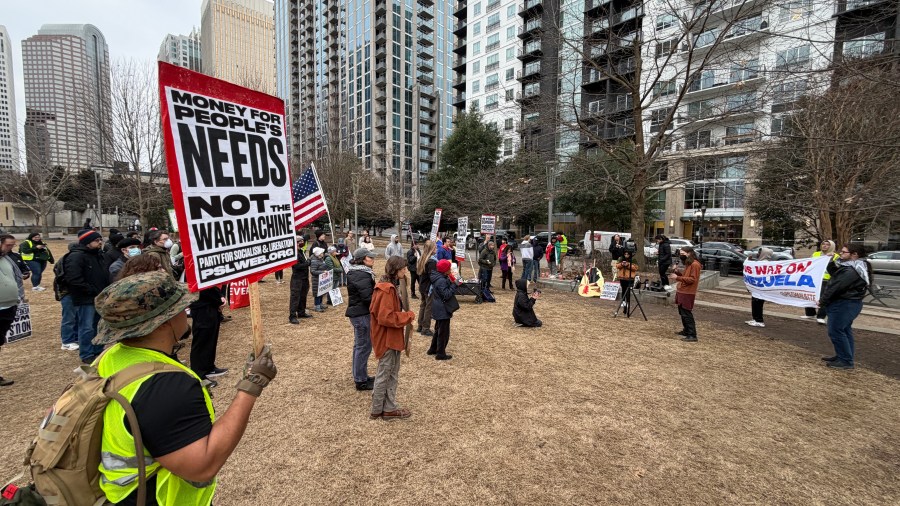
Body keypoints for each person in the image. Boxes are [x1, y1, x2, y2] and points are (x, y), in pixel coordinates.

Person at [91, 271, 277, 506]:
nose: (186, 312)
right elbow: (202, 466)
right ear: (164, 322)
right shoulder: (165, 385)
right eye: (181, 307)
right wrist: (252, 385)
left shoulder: (110, 357)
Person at [369, 255, 416, 420]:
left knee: (391, 372)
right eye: (403, 268)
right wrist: (407, 317)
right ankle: (379, 409)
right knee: (385, 372)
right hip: (387, 339)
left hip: (392, 337)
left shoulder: (389, 287)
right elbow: (385, 317)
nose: (405, 271)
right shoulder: (386, 290)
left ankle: (387, 407)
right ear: (396, 270)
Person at [819, 244, 870, 370]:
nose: (840, 254)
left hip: (845, 303)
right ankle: (843, 356)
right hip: (847, 303)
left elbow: (836, 286)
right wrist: (831, 261)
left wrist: (823, 301)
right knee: (845, 331)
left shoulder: (851, 270)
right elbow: (834, 273)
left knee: (836, 331)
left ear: (854, 254)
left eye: (843, 252)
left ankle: (846, 361)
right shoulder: (852, 266)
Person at [65, 230, 111, 363]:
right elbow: (73, 278)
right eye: (96, 240)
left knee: (99, 325)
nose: (100, 242)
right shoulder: (76, 256)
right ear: (87, 242)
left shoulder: (98, 255)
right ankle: (86, 353)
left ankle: (98, 349)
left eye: (100, 240)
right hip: (85, 298)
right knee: (87, 326)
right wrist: (91, 290)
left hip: (99, 297)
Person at [346, 248, 377, 390]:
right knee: (363, 347)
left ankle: (361, 375)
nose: (373, 259)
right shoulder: (361, 274)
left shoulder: (360, 272)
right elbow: (368, 297)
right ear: (363, 259)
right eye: (370, 257)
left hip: (360, 313)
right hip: (361, 315)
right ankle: (360, 380)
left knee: (360, 346)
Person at [189, 283, 228, 383]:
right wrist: (219, 300)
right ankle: (198, 374)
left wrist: (220, 298)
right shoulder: (194, 271)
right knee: (201, 340)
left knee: (211, 339)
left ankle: (209, 367)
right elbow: (204, 288)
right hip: (202, 307)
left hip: (211, 306)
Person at [0, 234, 26, 386]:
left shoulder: (7, 258)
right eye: (8, 245)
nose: (10, 248)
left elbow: (16, 277)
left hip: (8, 306)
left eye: (12, 245)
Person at [669, 246, 702, 342]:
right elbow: (685, 276)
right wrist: (677, 273)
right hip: (682, 290)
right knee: (682, 312)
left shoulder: (695, 264)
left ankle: (692, 334)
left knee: (686, 313)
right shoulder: (689, 264)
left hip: (688, 292)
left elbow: (692, 279)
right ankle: (686, 330)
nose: (681, 256)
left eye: (683, 254)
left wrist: (677, 278)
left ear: (689, 253)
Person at [428, 259, 459, 360]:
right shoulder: (441, 280)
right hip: (442, 309)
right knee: (443, 332)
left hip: (438, 307)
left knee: (438, 329)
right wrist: (454, 285)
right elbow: (446, 295)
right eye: (449, 268)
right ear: (445, 270)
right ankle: (440, 353)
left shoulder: (439, 277)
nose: (450, 269)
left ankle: (433, 348)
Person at [804, 240, 839, 324]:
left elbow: (837, 269)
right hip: (814, 279)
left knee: (824, 298)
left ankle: (821, 316)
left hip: (826, 280)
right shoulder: (815, 254)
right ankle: (810, 313)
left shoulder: (836, 256)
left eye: (827, 245)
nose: (825, 246)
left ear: (832, 247)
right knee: (809, 295)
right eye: (823, 244)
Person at [57, 242, 79, 352]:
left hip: (76, 293)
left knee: (77, 316)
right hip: (68, 293)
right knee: (69, 318)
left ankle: (76, 337)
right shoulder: (66, 261)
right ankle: (67, 341)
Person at [746, 248, 773, 328]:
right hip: (757, 287)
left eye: (759, 252)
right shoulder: (761, 262)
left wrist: (748, 262)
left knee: (757, 304)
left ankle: (759, 321)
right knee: (755, 303)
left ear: (764, 254)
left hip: (760, 288)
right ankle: (755, 319)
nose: (757, 254)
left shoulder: (764, 263)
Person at [416, 240, 437, 336]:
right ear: (431, 249)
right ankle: (425, 328)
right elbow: (432, 276)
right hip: (429, 287)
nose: (436, 249)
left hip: (423, 286)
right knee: (428, 307)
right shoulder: (431, 261)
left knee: (423, 305)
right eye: (435, 247)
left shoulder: (422, 259)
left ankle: (420, 325)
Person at [289, 236, 312, 324]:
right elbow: (296, 266)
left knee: (303, 296)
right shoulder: (294, 253)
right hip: (297, 279)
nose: (303, 242)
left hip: (304, 278)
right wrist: (307, 263)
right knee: (295, 297)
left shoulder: (301, 251)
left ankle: (301, 312)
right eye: (301, 241)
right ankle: (292, 316)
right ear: (297, 242)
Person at [309, 247, 329, 312]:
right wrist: (322, 272)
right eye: (322, 253)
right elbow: (313, 271)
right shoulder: (314, 261)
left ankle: (320, 304)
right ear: (319, 254)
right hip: (317, 279)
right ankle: (317, 306)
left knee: (321, 291)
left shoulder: (320, 259)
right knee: (317, 293)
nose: (323, 253)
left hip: (321, 279)